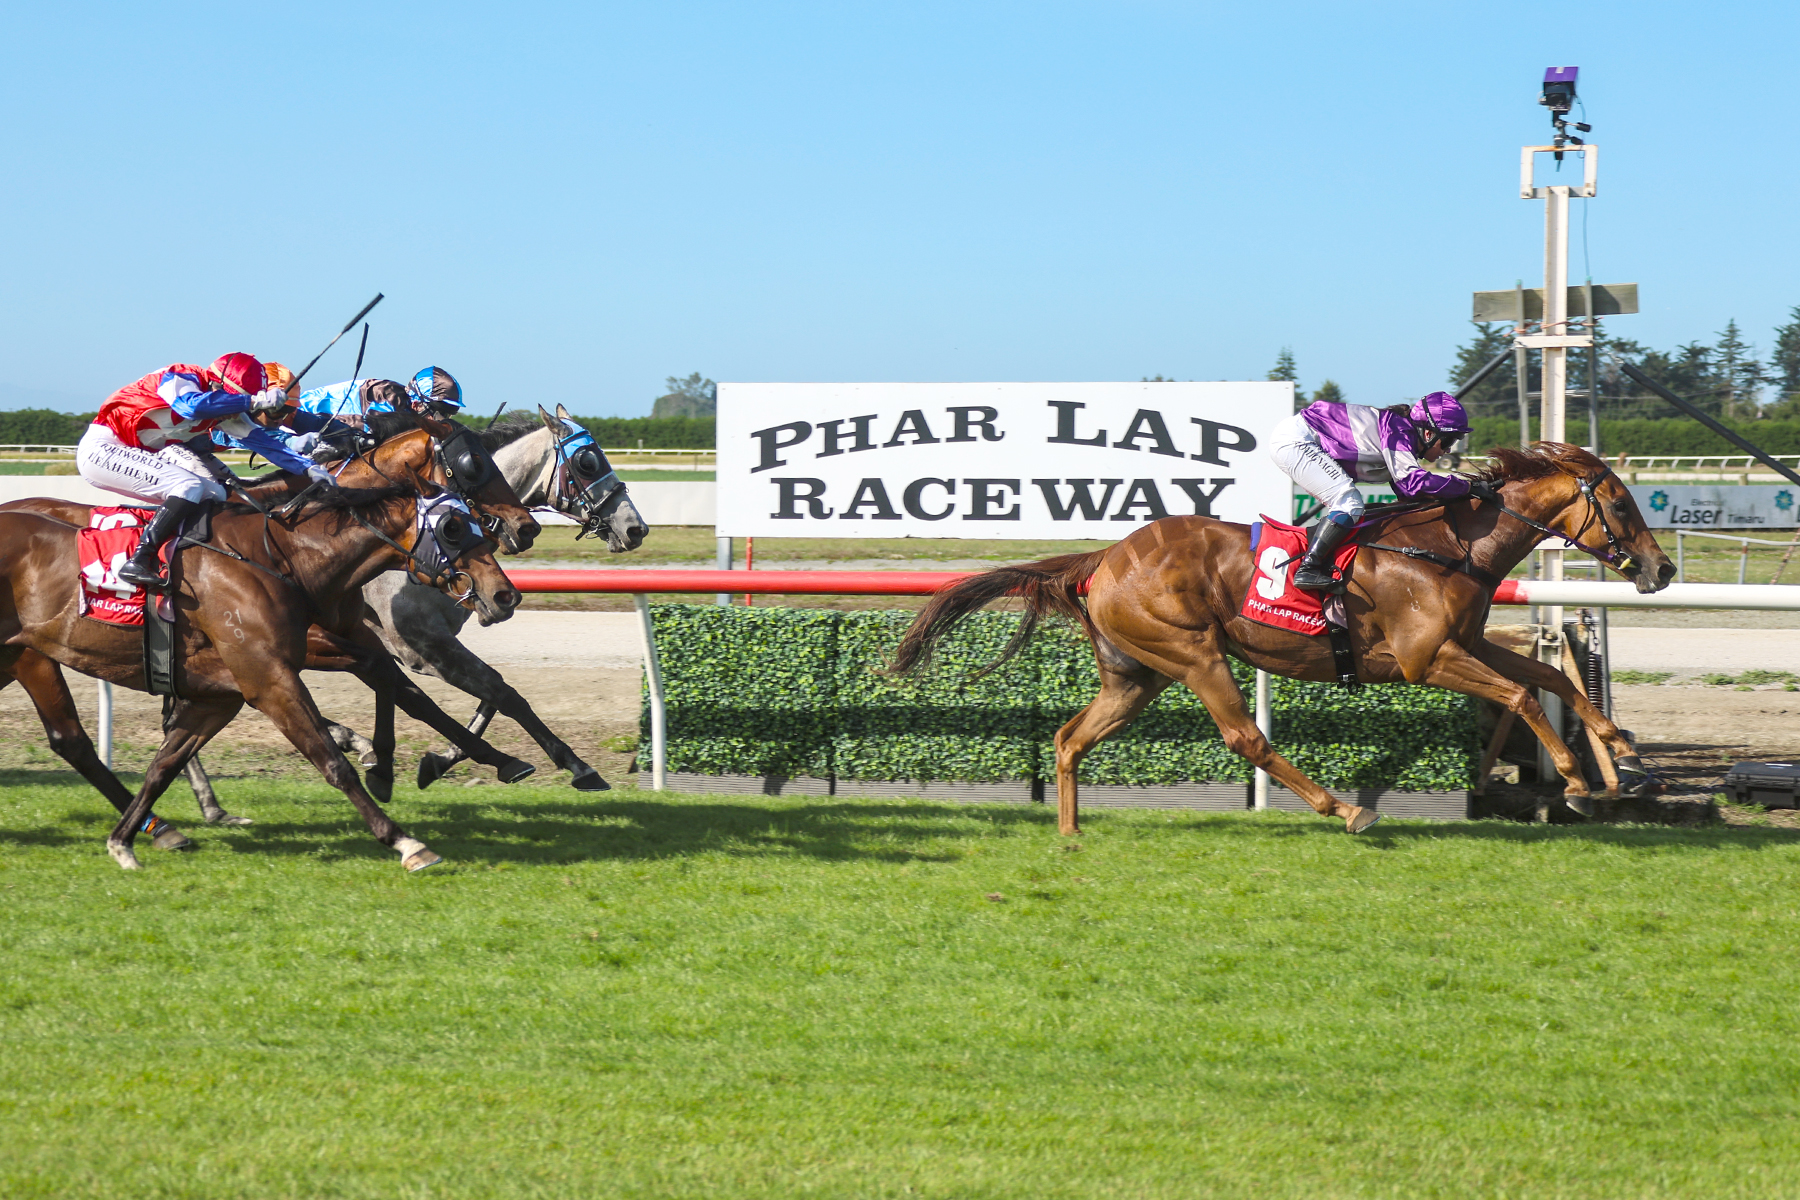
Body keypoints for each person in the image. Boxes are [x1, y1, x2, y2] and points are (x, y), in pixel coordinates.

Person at [79, 354, 338, 591]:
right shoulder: (181, 375)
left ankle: (190, 561)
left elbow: (266, 444)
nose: (239, 412)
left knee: (217, 494)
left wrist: (310, 469)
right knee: (187, 486)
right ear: (219, 386)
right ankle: (139, 559)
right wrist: (253, 400)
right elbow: (189, 406)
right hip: (103, 448)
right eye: (237, 400)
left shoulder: (228, 410)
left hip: (142, 451)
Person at [1266, 390, 1492, 591]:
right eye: (1449, 440)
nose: (1449, 449)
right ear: (1428, 434)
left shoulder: (1403, 434)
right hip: (1297, 441)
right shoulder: (1399, 431)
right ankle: (1309, 568)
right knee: (1349, 504)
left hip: (1300, 439)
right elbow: (1414, 481)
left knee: (1352, 506)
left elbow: (1409, 495)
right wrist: (1467, 487)